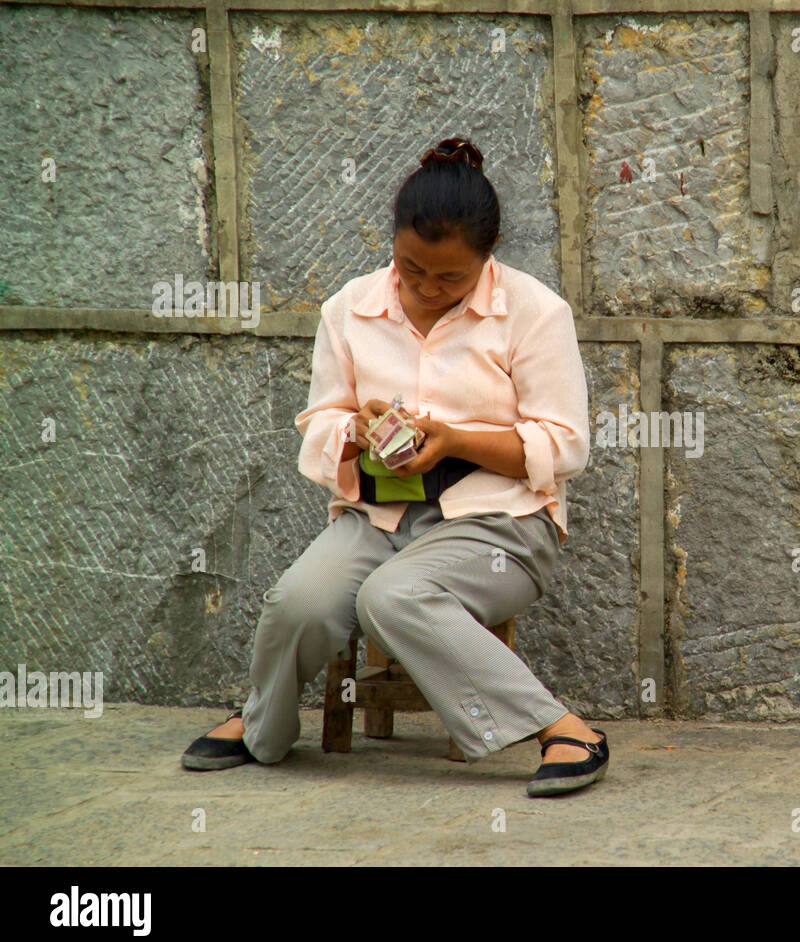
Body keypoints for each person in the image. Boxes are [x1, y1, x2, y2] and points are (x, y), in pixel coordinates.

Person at [181, 136, 609, 797]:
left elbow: (564, 446)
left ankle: (563, 727)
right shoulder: (348, 309)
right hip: (379, 513)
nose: (428, 288)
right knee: (300, 602)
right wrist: (354, 431)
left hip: (503, 523)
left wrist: (453, 439)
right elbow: (318, 429)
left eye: (450, 278)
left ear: (487, 260)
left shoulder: (533, 312)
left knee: (394, 596)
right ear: (394, 242)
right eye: (412, 269)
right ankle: (263, 724)